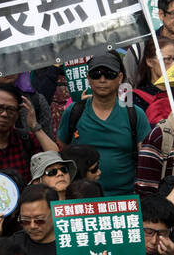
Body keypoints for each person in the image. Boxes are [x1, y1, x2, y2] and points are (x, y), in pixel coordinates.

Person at [57, 51, 151, 195]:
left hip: (125, 200)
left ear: (120, 78)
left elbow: (146, 160)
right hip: (83, 199)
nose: (102, 79)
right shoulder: (74, 111)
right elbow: (63, 150)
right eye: (96, 74)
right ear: (88, 78)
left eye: (109, 74)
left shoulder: (135, 114)